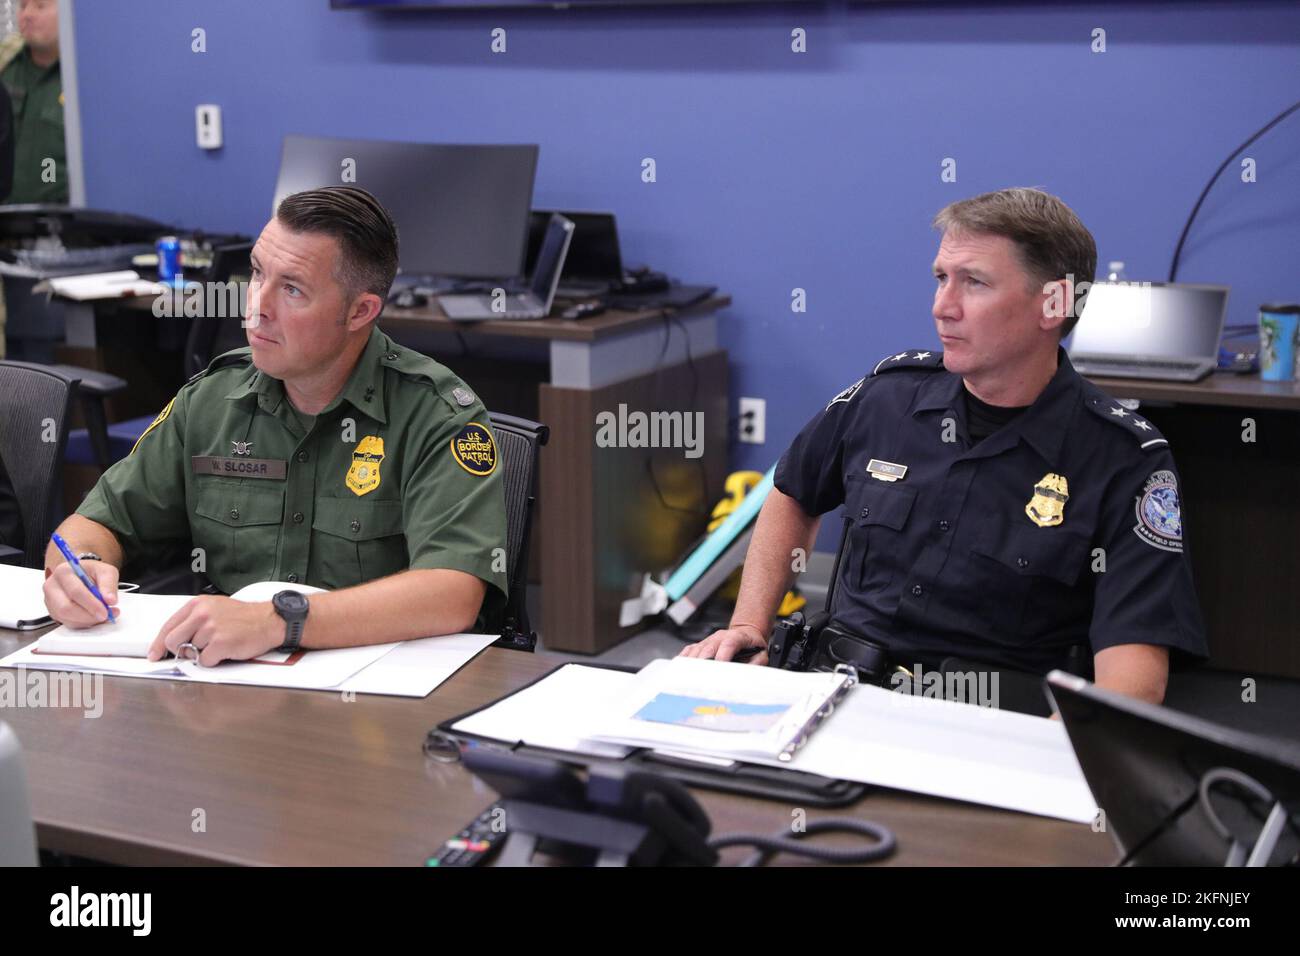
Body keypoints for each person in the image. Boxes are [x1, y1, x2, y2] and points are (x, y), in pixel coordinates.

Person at [682, 187, 1206, 705]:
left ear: (1054, 304)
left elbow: (1133, 681)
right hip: (839, 692)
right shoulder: (887, 396)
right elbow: (793, 491)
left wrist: (1058, 752)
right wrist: (751, 622)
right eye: (941, 279)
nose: (942, 307)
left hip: (993, 723)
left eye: (974, 283)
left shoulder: (1125, 459)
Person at [43, 186, 508, 666]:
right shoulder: (211, 400)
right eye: (257, 274)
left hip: (378, 696)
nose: (256, 306)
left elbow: (454, 591)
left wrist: (279, 620)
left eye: (292, 289)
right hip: (225, 682)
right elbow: (95, 522)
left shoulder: (436, 416)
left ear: (360, 311)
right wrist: (81, 571)